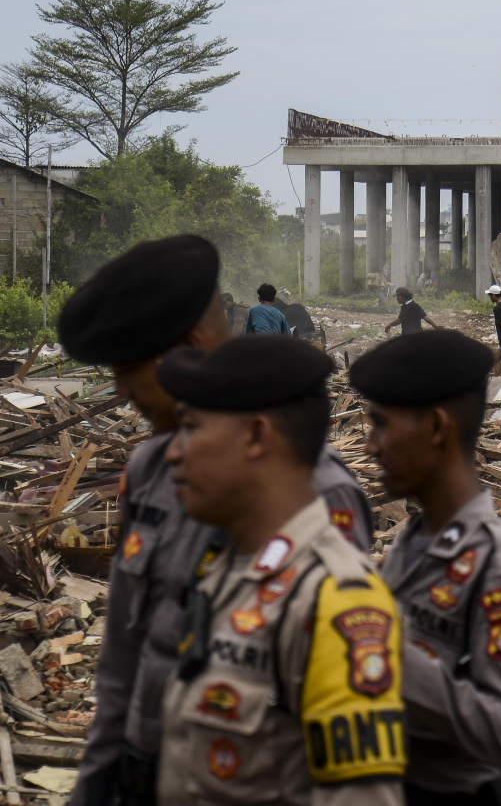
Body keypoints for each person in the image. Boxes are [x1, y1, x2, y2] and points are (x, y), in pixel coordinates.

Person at [58, 236, 375, 806]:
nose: (121, 391)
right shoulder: (151, 468)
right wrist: (96, 781)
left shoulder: (312, 491)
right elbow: (124, 655)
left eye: (131, 369)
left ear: (190, 347)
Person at [155, 335, 406, 805]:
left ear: (255, 436)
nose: (173, 452)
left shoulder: (334, 598)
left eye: (189, 428)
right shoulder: (227, 569)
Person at [349, 330, 501, 804]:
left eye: (380, 425)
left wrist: (389, 652)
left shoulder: (500, 570)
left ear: (436, 428)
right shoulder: (411, 544)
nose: (371, 446)